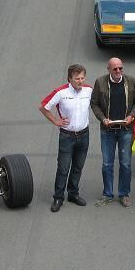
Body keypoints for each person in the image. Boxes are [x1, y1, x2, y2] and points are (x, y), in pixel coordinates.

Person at [90, 57, 135, 208]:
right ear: (109, 69)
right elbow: (94, 104)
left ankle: (124, 194)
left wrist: (131, 116)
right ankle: (107, 194)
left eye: (120, 68)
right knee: (107, 164)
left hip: (125, 130)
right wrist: (102, 118)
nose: (118, 71)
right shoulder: (100, 82)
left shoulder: (131, 81)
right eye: (115, 69)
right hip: (107, 131)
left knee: (125, 164)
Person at [39, 64, 92, 212]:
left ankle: (73, 194)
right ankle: (58, 197)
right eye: (77, 79)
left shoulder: (89, 90)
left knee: (78, 167)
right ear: (70, 79)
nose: (80, 81)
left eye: (82, 78)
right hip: (67, 137)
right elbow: (43, 106)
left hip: (84, 135)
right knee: (63, 168)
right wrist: (55, 121)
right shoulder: (60, 92)